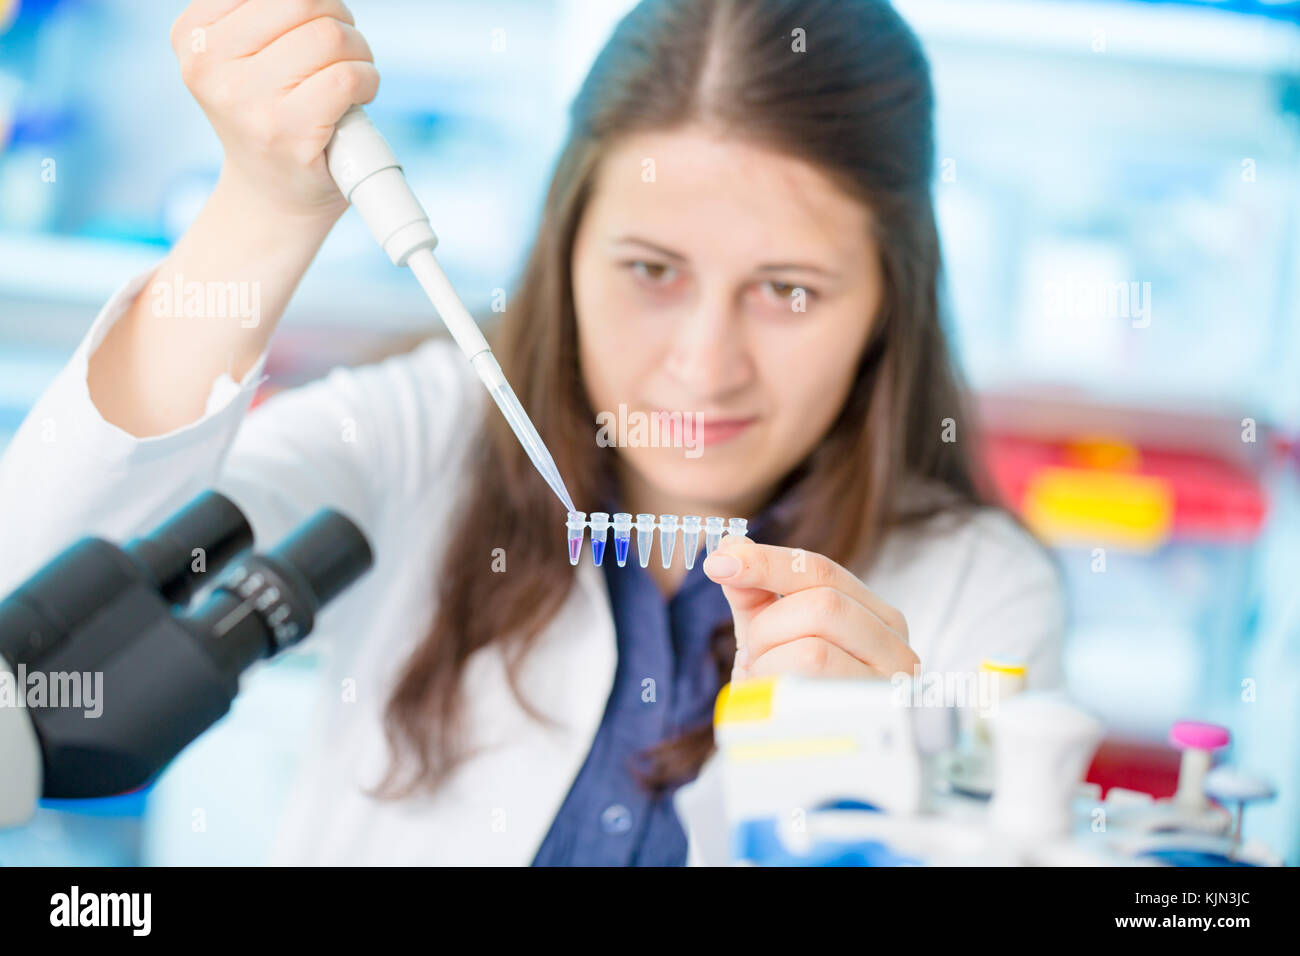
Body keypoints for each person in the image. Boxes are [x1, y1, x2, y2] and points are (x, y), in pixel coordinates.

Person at [0, 0, 1063, 865]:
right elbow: (40, 614)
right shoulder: (421, 435)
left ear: (888, 299)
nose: (703, 361)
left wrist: (837, 792)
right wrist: (264, 212)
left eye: (786, 290)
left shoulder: (976, 593)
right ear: (564, 252)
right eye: (651, 270)